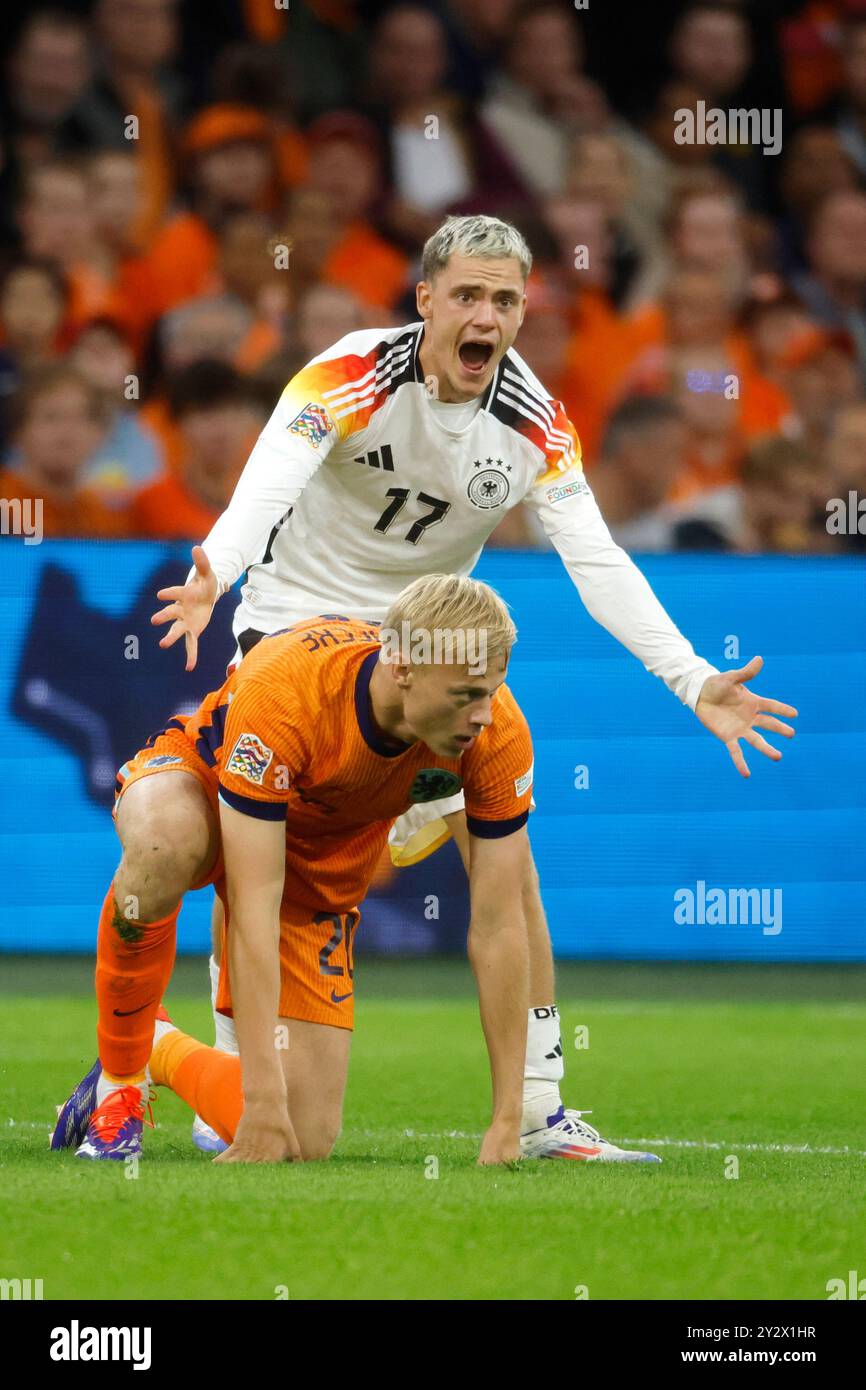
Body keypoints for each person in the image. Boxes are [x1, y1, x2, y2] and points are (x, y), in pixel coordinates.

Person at [150, 213, 798, 1160]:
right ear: (425, 301)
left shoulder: (536, 422)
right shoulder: (350, 373)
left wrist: (692, 679)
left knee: (507, 858)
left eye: (503, 300)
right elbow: (271, 477)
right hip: (292, 629)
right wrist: (217, 563)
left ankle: (535, 1109)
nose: (485, 315)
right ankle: (236, 1067)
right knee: (266, 848)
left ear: (521, 311)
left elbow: (598, 562)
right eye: (466, 295)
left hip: (430, 644)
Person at [51, 576, 668, 1165]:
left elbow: (500, 924)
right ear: (402, 669)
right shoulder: (288, 688)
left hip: (319, 872)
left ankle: (156, 1043)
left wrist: (508, 1118)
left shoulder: (496, 731)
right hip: (207, 793)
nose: (484, 714)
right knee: (164, 845)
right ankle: (121, 1081)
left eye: (490, 691)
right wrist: (261, 1101)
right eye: (465, 697)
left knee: (307, 1136)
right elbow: (253, 902)